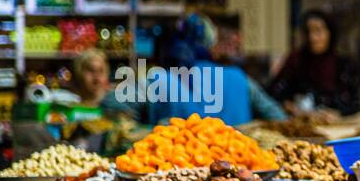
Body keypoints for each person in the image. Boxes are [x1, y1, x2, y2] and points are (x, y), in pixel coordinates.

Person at [103, 13, 285, 125]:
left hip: (177, 177)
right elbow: (278, 118)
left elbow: (111, 103)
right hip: (238, 178)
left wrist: (146, 131)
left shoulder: (157, 80)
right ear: (211, 46)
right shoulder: (239, 79)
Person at [266, 9, 360, 114]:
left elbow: (354, 103)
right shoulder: (296, 60)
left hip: (338, 126)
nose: (313, 38)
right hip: (301, 123)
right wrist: (289, 106)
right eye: (308, 32)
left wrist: (338, 113)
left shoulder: (344, 65)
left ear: (330, 33)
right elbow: (273, 93)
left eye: (318, 31)